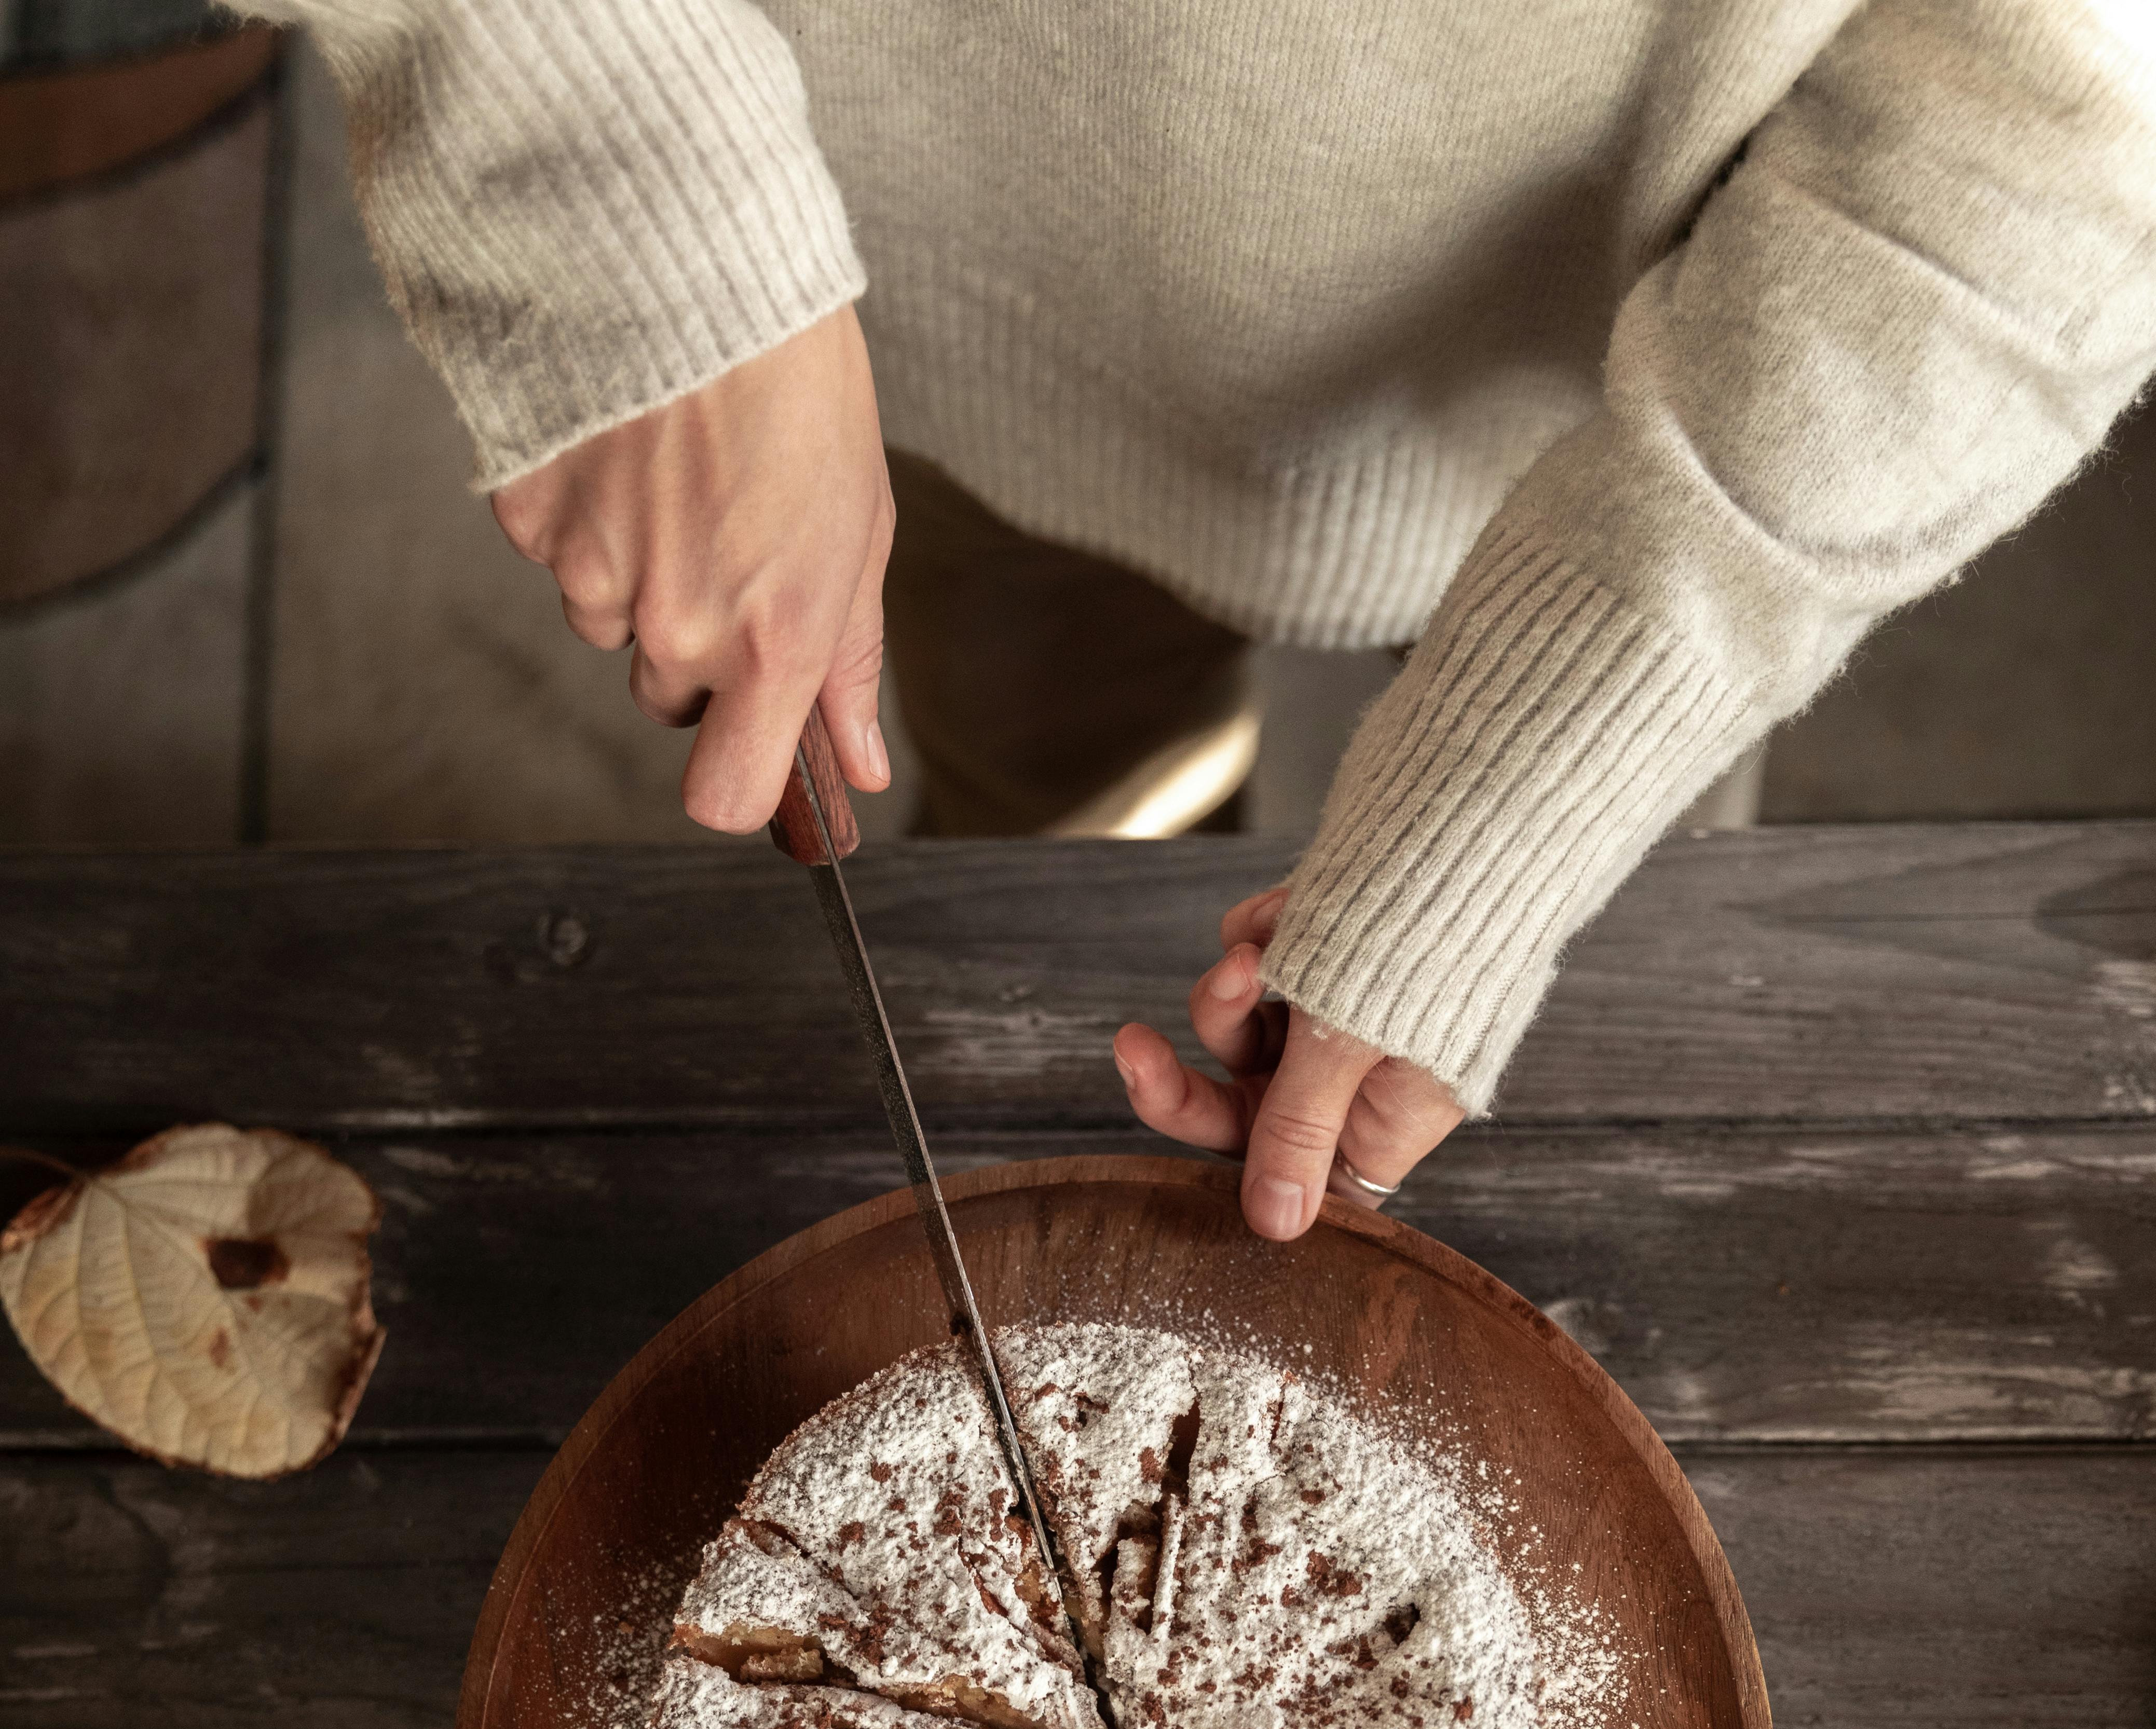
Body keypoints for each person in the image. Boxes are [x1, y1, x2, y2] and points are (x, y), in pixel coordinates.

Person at [266, 1, 2156, 1237]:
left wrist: (1542, 785)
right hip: (900, 357)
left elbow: (2058, 128)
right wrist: (613, 165)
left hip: (1664, 427)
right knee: (1038, 784)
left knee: (1571, 1098)